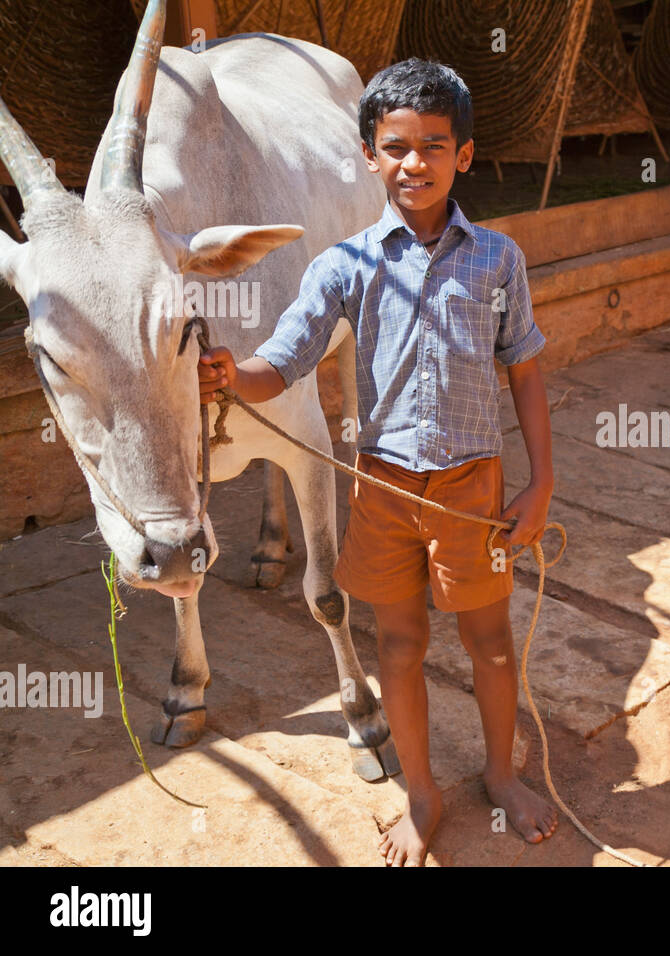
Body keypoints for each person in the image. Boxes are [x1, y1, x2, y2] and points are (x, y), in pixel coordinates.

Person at [197, 59, 558, 866]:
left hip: (474, 489)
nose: (414, 163)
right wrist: (232, 375)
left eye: (435, 145)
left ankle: (500, 774)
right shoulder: (343, 266)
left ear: (464, 155)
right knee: (399, 643)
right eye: (396, 146)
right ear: (368, 155)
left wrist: (542, 481)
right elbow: (282, 362)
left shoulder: (497, 259)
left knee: (491, 641)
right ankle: (422, 793)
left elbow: (524, 368)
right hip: (385, 487)